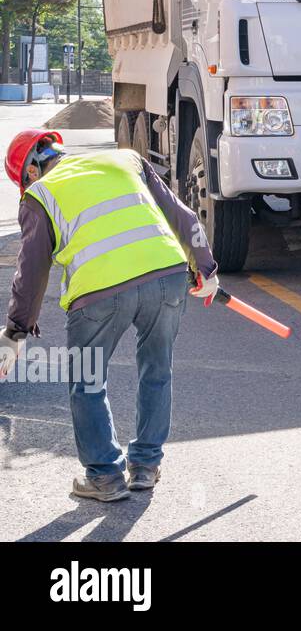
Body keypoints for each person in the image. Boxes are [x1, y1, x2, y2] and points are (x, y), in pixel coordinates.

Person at [0, 129, 218, 502]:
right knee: (157, 370)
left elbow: (32, 272)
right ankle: (146, 467)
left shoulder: (39, 196)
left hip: (99, 293)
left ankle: (105, 476)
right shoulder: (127, 159)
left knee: (87, 381)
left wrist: (16, 333)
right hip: (166, 278)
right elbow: (181, 215)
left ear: (31, 173)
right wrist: (207, 269)